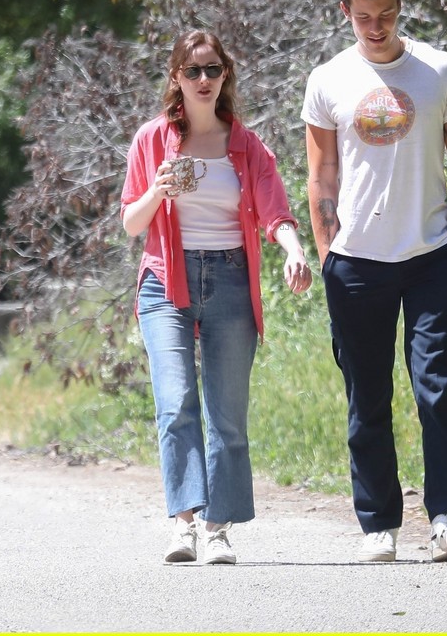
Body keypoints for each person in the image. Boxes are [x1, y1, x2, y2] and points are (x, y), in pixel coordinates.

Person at [302, 0, 447, 563]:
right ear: (345, 12)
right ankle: (379, 525)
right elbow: (321, 173)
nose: (375, 27)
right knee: (367, 394)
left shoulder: (439, 71)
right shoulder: (328, 80)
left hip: (432, 254)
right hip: (356, 262)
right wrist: (328, 253)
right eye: (363, 16)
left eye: (385, 14)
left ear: (400, 7)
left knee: (437, 383)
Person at [121, 30, 313, 565]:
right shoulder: (151, 141)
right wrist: (159, 188)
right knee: (175, 400)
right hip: (166, 280)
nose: (203, 80)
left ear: (225, 75)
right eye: (193, 71)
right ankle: (183, 525)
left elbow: (275, 211)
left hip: (230, 277)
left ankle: (217, 529)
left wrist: (295, 251)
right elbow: (132, 223)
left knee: (226, 414)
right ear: (176, 79)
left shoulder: (247, 147)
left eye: (213, 70)